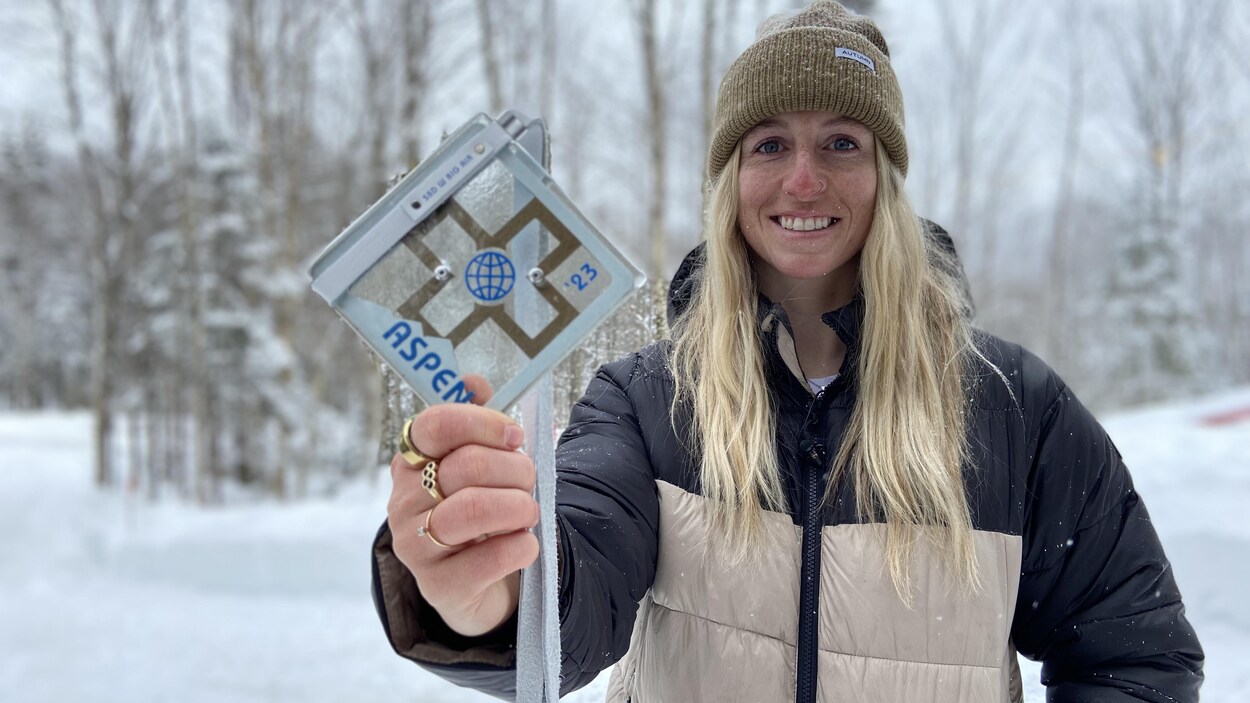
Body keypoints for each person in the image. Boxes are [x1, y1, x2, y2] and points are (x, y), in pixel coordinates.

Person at [370, 2, 1204, 701]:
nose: (804, 179)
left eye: (842, 142)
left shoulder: (1012, 405)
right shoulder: (647, 399)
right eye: (768, 145)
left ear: (887, 177)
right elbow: (575, 590)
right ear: (729, 179)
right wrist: (490, 594)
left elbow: (1135, 653)